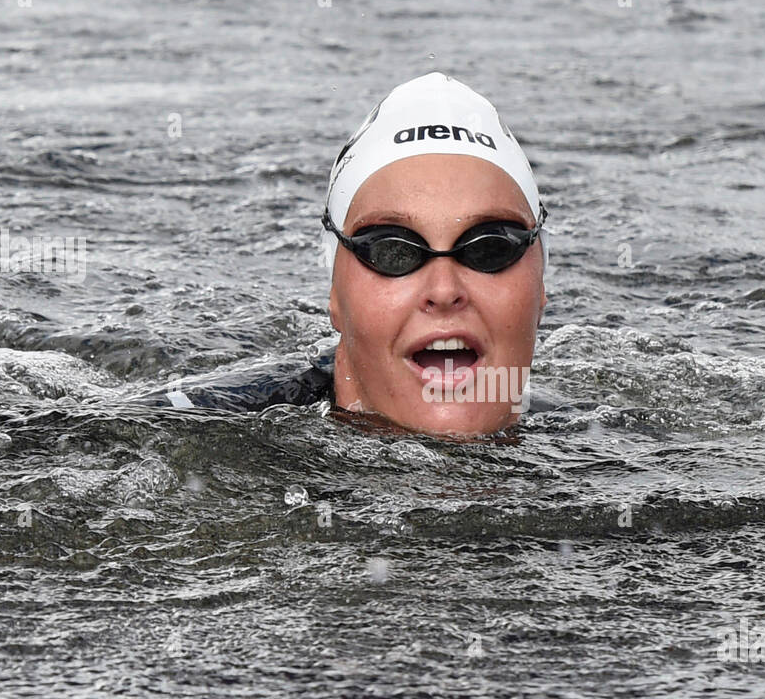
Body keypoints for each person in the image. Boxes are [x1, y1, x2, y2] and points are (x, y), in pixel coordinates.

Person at [140, 73, 550, 437]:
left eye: (489, 247)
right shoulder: (190, 432)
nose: (444, 290)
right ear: (335, 293)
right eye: (393, 251)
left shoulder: (606, 440)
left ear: (541, 287)